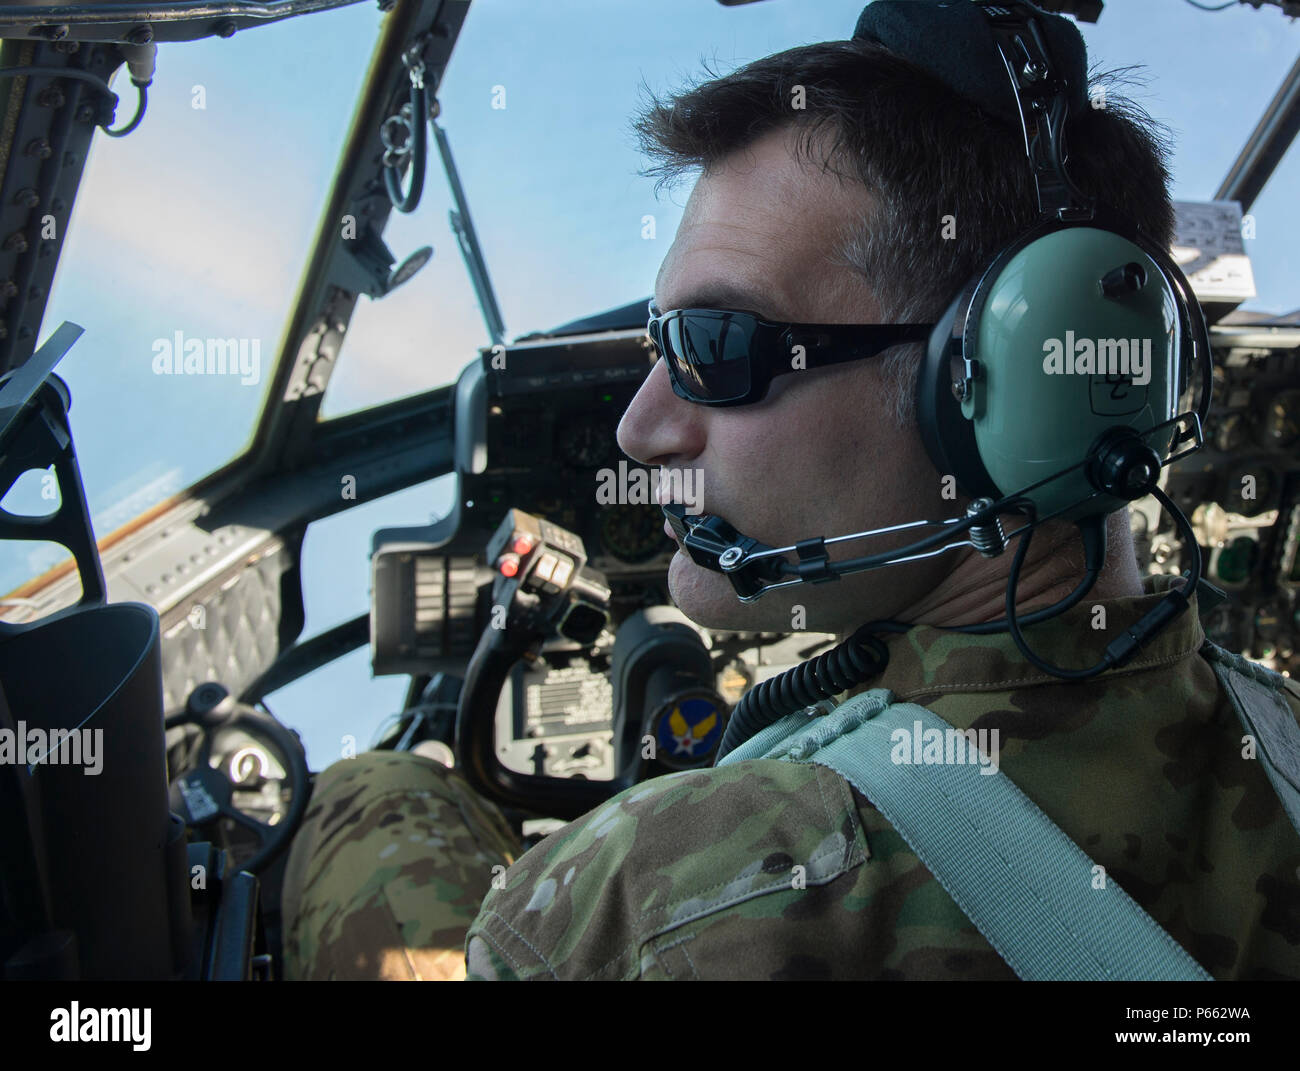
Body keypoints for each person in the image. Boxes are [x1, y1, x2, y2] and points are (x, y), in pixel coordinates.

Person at [280, 1, 1300, 981]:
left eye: (714, 348)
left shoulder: (635, 914)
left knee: (380, 790)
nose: (643, 428)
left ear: (1012, 380)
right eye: (655, 347)